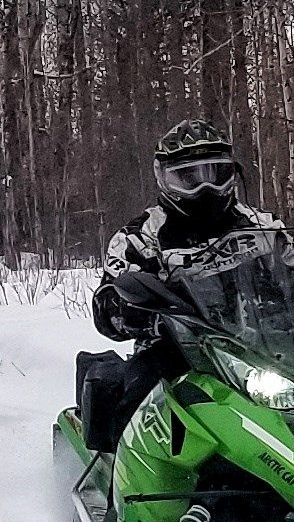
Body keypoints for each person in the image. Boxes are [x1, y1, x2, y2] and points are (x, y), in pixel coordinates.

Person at [89, 119, 280, 423]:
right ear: (164, 179)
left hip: (264, 347)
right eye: (188, 178)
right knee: (137, 409)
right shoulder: (141, 236)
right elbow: (107, 306)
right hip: (174, 352)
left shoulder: (261, 225)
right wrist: (127, 309)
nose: (205, 187)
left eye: (215, 174)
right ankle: (125, 466)